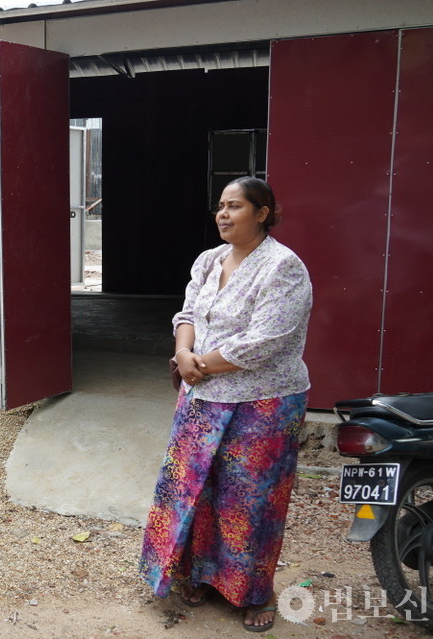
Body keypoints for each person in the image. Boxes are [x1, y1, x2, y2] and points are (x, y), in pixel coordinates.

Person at [139, 176, 312, 633]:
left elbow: (266, 340)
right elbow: (188, 314)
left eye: (234, 206)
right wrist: (183, 355)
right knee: (192, 490)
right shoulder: (209, 260)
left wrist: (202, 366)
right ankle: (197, 574)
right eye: (220, 205)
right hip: (201, 395)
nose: (222, 214)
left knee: (249, 502)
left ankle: (255, 593)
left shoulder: (282, 266)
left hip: (262, 404)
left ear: (262, 212)